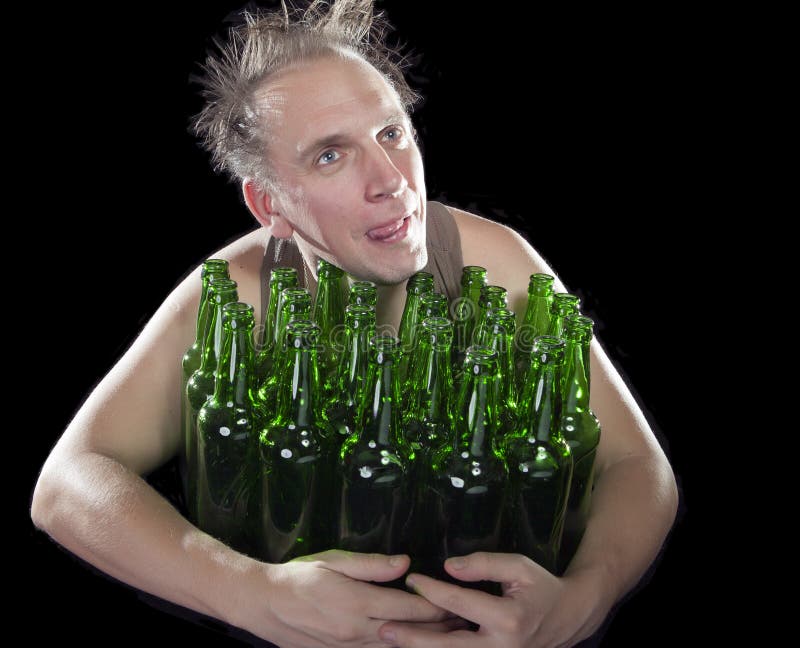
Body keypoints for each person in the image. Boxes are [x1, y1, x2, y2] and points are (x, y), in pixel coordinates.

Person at [31, 1, 679, 646]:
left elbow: (637, 465)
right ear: (270, 203)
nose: (392, 181)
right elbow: (68, 482)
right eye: (330, 157)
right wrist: (247, 592)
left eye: (392, 134)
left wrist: (583, 598)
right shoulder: (233, 295)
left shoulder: (498, 262)